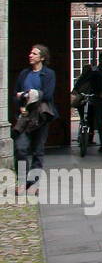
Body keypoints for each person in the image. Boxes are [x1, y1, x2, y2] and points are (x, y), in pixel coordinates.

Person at [13, 44, 57, 194]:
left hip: (40, 116)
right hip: (24, 116)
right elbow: (15, 94)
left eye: (34, 53)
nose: (30, 55)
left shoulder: (49, 74)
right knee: (21, 148)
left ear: (42, 57)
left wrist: (28, 94)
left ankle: (34, 184)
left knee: (38, 150)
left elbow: (48, 95)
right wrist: (20, 104)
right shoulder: (24, 74)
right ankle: (21, 181)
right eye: (30, 53)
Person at [74, 50, 102, 153]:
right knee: (99, 122)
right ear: (101, 59)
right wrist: (77, 89)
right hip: (97, 99)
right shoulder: (94, 71)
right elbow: (85, 80)